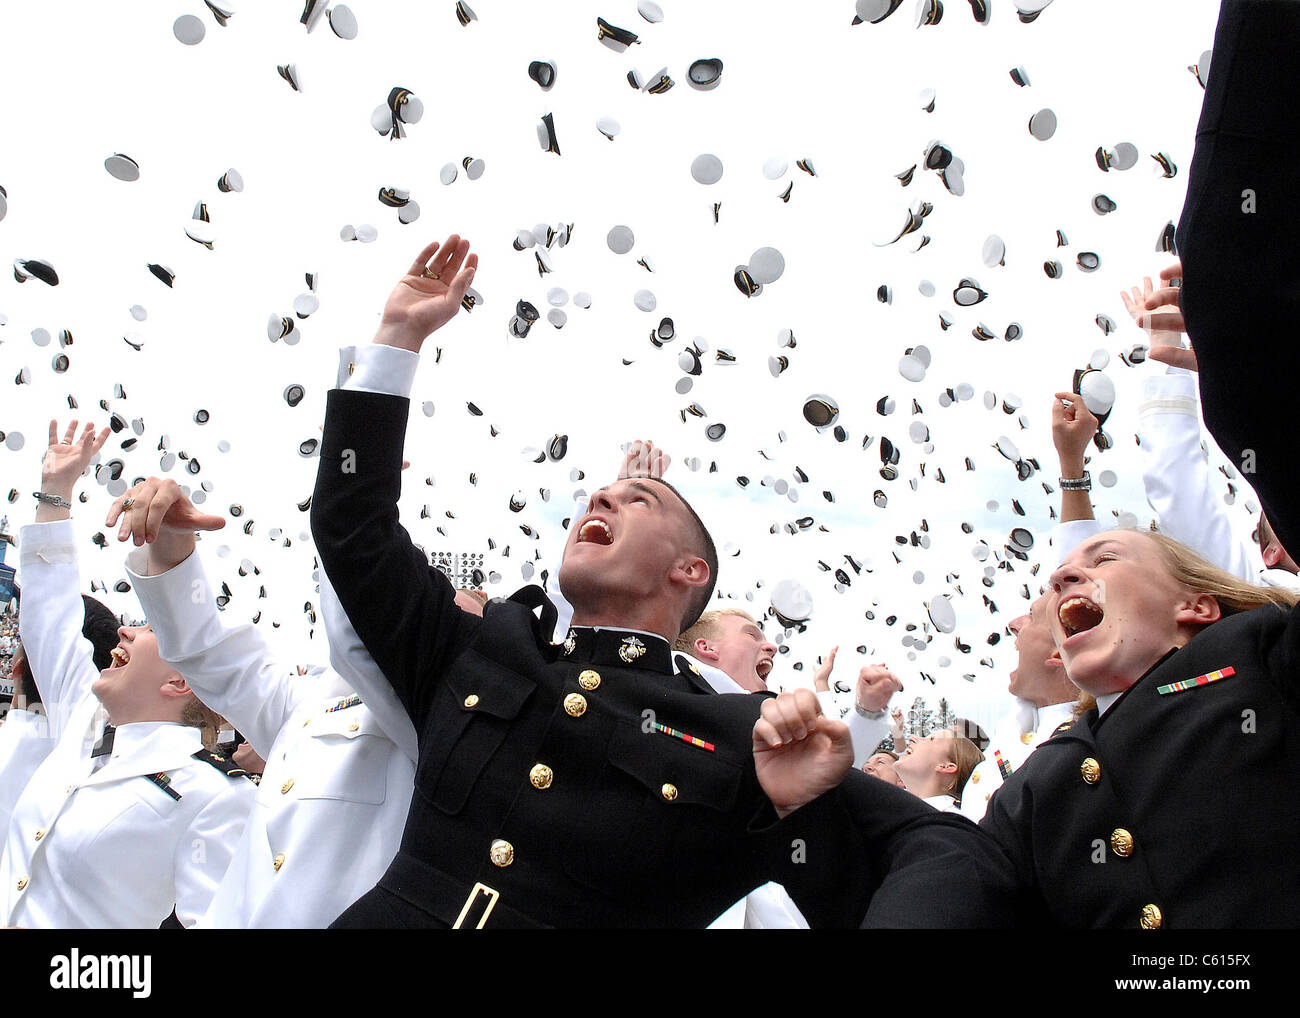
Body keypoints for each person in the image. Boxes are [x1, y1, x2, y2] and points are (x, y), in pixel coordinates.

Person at [311, 235, 1019, 928]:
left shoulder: (741, 735)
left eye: (637, 498)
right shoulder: (480, 648)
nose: (600, 499)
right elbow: (353, 529)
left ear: (690, 571)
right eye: (596, 497)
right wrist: (397, 339)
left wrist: (797, 819)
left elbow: (951, 851)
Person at [113, 474, 418, 928]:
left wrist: (357, 509)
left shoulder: (433, 726)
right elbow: (210, 655)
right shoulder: (314, 702)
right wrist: (171, 546)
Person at [1, 421, 256, 928]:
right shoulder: (82, 723)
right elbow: (48, 615)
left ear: (180, 681)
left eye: (146, 628)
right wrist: (56, 491)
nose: (123, 634)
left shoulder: (216, 795)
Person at [958, 597, 1080, 823]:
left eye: (1032, 616)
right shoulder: (1017, 729)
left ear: (1059, 652)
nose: (1013, 624)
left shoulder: (1083, 740)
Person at [894, 731, 983, 813]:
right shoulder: (894, 808)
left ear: (946, 766)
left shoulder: (950, 822)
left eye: (931, 739)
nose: (912, 738)